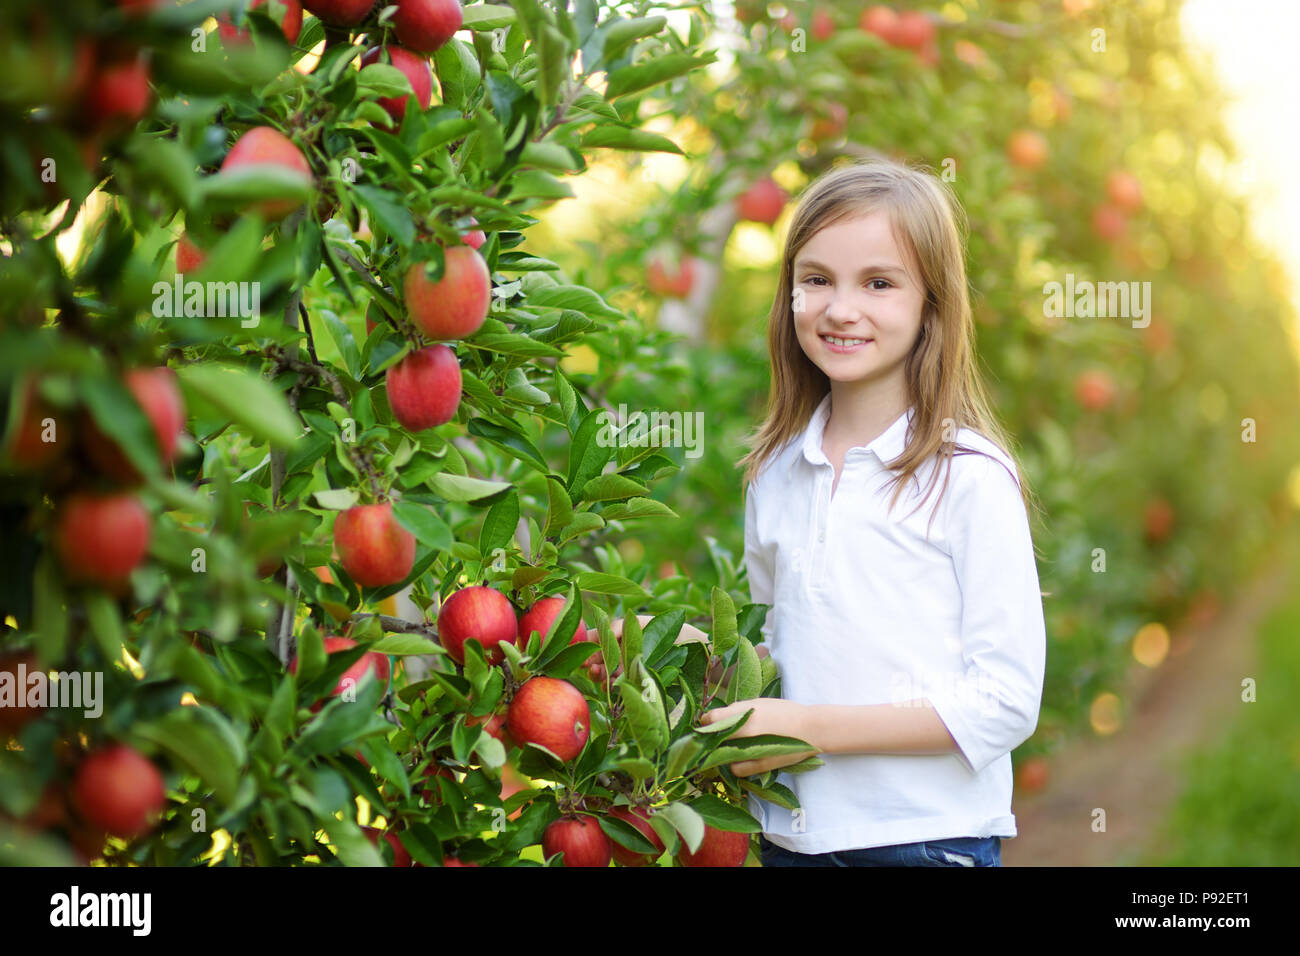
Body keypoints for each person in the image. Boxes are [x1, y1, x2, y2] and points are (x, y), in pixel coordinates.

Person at [699, 158, 1047, 867]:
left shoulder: (968, 477)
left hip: (921, 839)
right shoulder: (775, 472)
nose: (840, 308)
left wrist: (807, 729)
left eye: (879, 283)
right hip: (792, 837)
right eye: (816, 279)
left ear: (931, 306)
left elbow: (1007, 701)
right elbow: (794, 646)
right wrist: (695, 662)